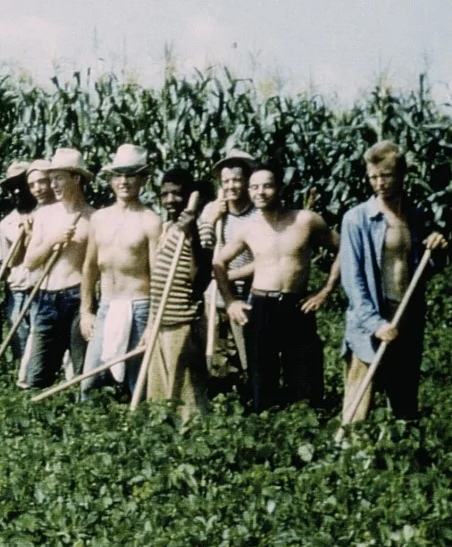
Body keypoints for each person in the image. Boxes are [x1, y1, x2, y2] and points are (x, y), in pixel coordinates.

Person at [213, 163, 340, 412]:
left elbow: (344, 248)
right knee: (262, 377)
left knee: (305, 375)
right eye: (254, 187)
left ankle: (309, 427)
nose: (260, 192)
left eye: (267, 186)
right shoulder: (247, 229)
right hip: (261, 305)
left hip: (297, 305)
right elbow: (218, 262)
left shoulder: (305, 220)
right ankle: (267, 427)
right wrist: (230, 301)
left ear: (280, 188)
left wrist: (325, 290)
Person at [340, 141, 448, 422]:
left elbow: (424, 269)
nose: (379, 183)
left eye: (386, 175)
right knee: (359, 399)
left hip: (407, 314)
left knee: (404, 397)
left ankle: (403, 456)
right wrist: (376, 324)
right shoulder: (356, 219)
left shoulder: (416, 217)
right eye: (373, 177)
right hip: (372, 317)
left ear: (401, 175)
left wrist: (436, 250)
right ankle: (348, 459)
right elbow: (353, 280)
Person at [79, 145, 163, 400]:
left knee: (137, 383)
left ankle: (141, 432)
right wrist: (85, 310)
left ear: (143, 179)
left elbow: (158, 276)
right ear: (111, 180)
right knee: (89, 382)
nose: (124, 181)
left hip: (139, 306)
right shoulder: (99, 218)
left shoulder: (151, 221)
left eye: (131, 175)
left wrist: (152, 324)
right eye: (118, 175)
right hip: (106, 305)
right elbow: (89, 267)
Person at [21, 148, 95, 389]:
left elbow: (97, 268)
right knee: (37, 375)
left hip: (77, 298)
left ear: (76, 178)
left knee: (80, 372)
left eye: (59, 178)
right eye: (51, 179)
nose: (53, 185)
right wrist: (53, 239)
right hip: (45, 298)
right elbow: (30, 261)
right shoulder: (44, 214)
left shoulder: (94, 218)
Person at [145, 167, 208, 420]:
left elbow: (199, 278)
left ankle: (195, 441)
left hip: (182, 321)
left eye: (177, 194)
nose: (170, 200)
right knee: (160, 391)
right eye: (165, 194)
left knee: (186, 393)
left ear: (190, 195)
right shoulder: (166, 227)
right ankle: (163, 436)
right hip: (160, 320)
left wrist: (191, 234)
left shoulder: (202, 229)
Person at [197, 150, 257, 392]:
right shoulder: (212, 210)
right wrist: (210, 222)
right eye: (226, 181)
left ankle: (253, 399)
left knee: (248, 353)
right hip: (215, 295)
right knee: (217, 353)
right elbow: (203, 248)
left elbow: (265, 259)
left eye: (237, 180)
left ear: (247, 181)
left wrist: (231, 275)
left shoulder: (258, 214)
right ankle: (225, 399)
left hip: (248, 293)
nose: (231, 186)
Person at [14, 159, 58, 386]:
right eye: (33, 185)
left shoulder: (67, 208)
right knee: (37, 340)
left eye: (43, 182)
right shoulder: (34, 214)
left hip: (66, 288)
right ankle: (29, 383)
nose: (38, 189)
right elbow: (23, 259)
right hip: (40, 287)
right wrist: (29, 235)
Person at [0, 161, 39, 374]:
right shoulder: (7, 223)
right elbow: (7, 263)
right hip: (18, 288)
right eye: (11, 187)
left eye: (21, 185)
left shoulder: (46, 214)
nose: (16, 192)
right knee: (20, 340)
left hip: (43, 288)